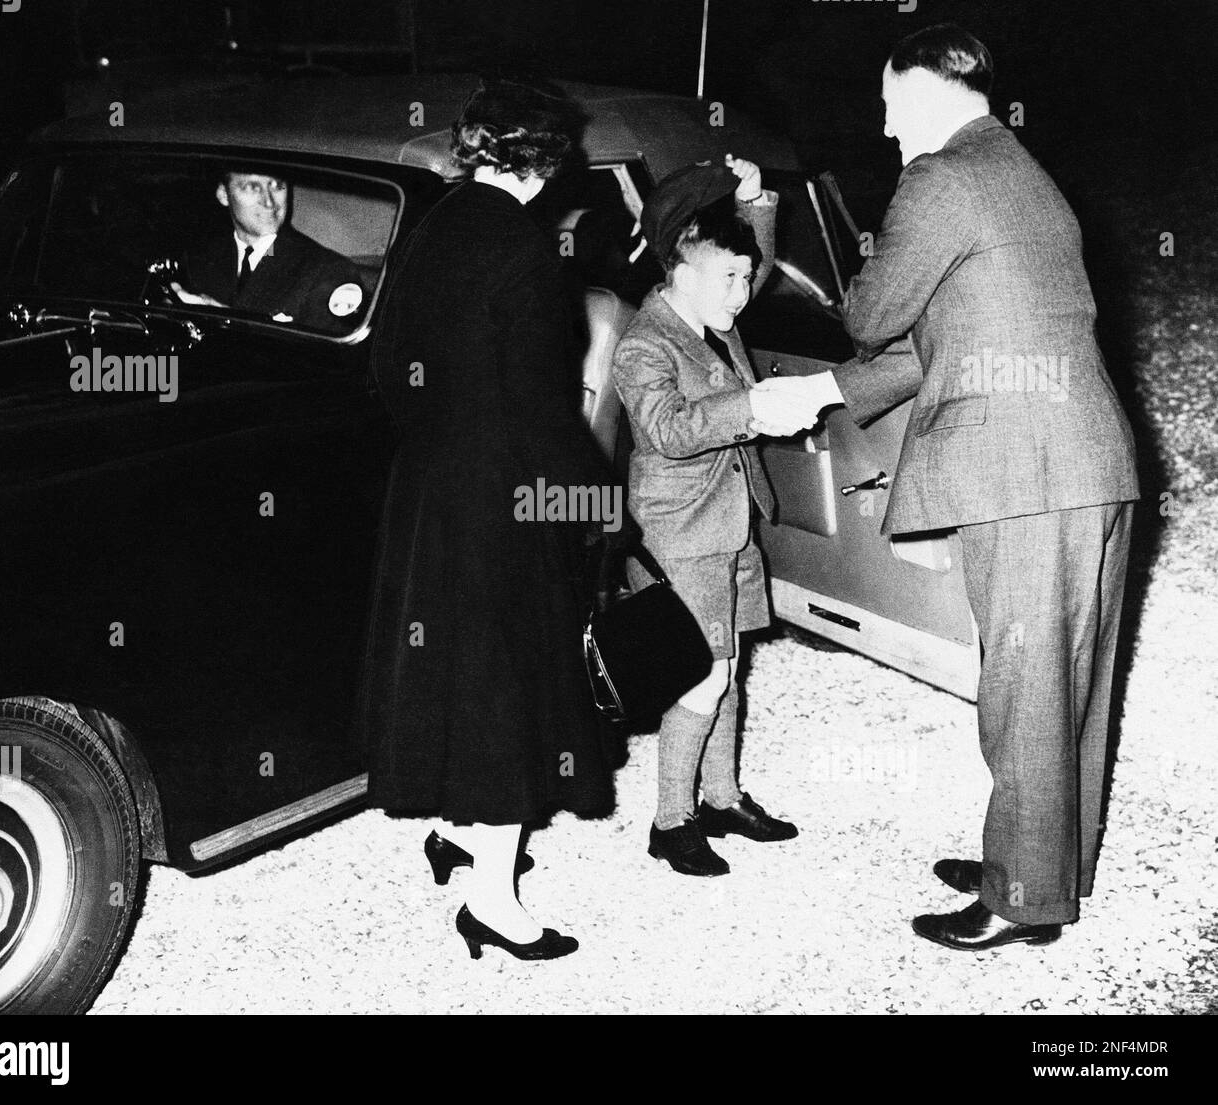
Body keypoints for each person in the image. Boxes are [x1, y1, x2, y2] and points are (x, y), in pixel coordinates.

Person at [775, 24, 1139, 948]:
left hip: (1025, 471)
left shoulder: (940, 179)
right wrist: (818, 392)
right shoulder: (1017, 169)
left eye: (893, 106)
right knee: (1063, 683)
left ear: (934, 93)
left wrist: (838, 251)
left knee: (1023, 685)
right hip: (1079, 459)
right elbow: (944, 338)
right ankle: (1048, 867)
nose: (888, 128)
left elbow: (870, 317)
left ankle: (1020, 900)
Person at [356, 78, 621, 960]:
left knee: (452, 678)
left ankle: (461, 836)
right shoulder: (526, 248)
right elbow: (545, 408)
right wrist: (593, 500)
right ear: (544, 162)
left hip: (430, 489)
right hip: (505, 499)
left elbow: (388, 369)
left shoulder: (430, 227)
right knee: (510, 690)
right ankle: (493, 905)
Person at [612, 157, 813, 878]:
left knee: (728, 666)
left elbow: (746, 267)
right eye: (727, 278)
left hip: (730, 523)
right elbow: (666, 429)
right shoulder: (645, 342)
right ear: (680, 270)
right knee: (700, 676)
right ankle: (672, 820)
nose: (742, 291)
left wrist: (757, 199)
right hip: (681, 537)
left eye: (742, 276)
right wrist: (752, 407)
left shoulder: (710, 312)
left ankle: (722, 797)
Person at [173, 169, 368, 332]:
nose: (269, 202)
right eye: (252, 187)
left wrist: (227, 321)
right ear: (223, 195)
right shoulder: (199, 258)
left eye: (276, 185)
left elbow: (325, 365)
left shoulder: (328, 271)